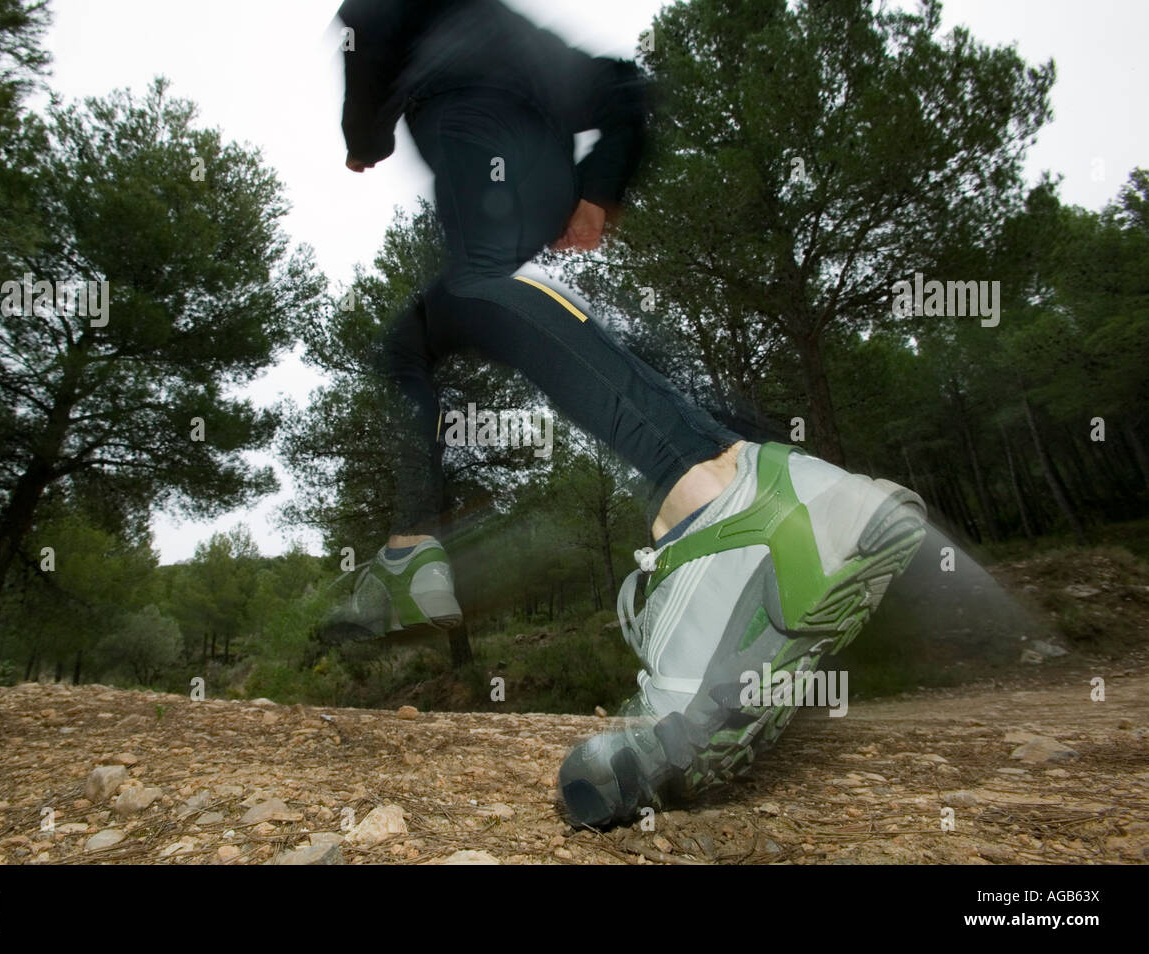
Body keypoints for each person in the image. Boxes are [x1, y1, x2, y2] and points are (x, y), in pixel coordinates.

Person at [331, 0, 927, 828]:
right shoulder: (516, 33)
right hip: (541, 168)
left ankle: (718, 495)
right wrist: (598, 192)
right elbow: (624, 90)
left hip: (479, 137)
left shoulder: (444, 31)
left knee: (474, 290)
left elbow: (369, 23)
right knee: (423, 337)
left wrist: (364, 136)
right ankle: (755, 483)